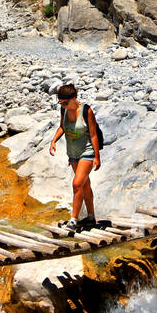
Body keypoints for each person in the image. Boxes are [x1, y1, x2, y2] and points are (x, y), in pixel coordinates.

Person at [48, 81, 100, 231]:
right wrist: (53, 141)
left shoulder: (86, 111)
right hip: (73, 154)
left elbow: (93, 134)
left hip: (87, 153)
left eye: (65, 102)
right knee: (85, 185)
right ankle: (91, 218)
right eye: (61, 103)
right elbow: (62, 127)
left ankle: (73, 220)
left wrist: (97, 157)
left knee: (77, 184)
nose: (63, 105)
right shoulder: (64, 110)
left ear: (74, 98)